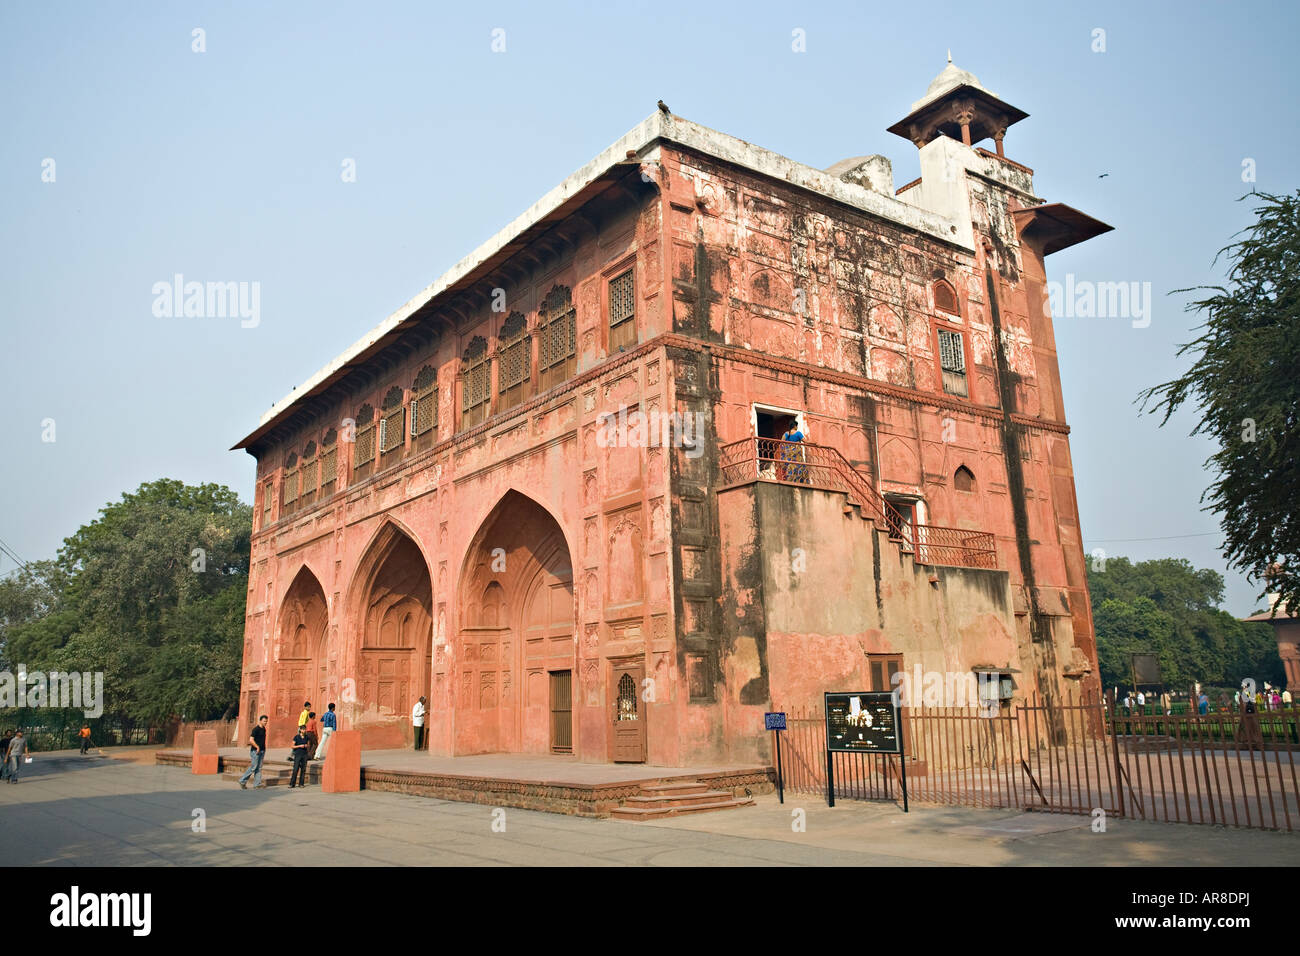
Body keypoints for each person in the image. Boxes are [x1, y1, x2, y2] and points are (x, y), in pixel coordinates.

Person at [238, 715, 269, 789]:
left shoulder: (264, 729)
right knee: (253, 767)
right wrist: (257, 747)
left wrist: (263, 749)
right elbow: (251, 740)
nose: (266, 722)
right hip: (255, 751)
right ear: (260, 721)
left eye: (266, 721)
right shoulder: (256, 729)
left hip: (262, 751)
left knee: (259, 768)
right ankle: (242, 780)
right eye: (264, 721)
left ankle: (257, 784)